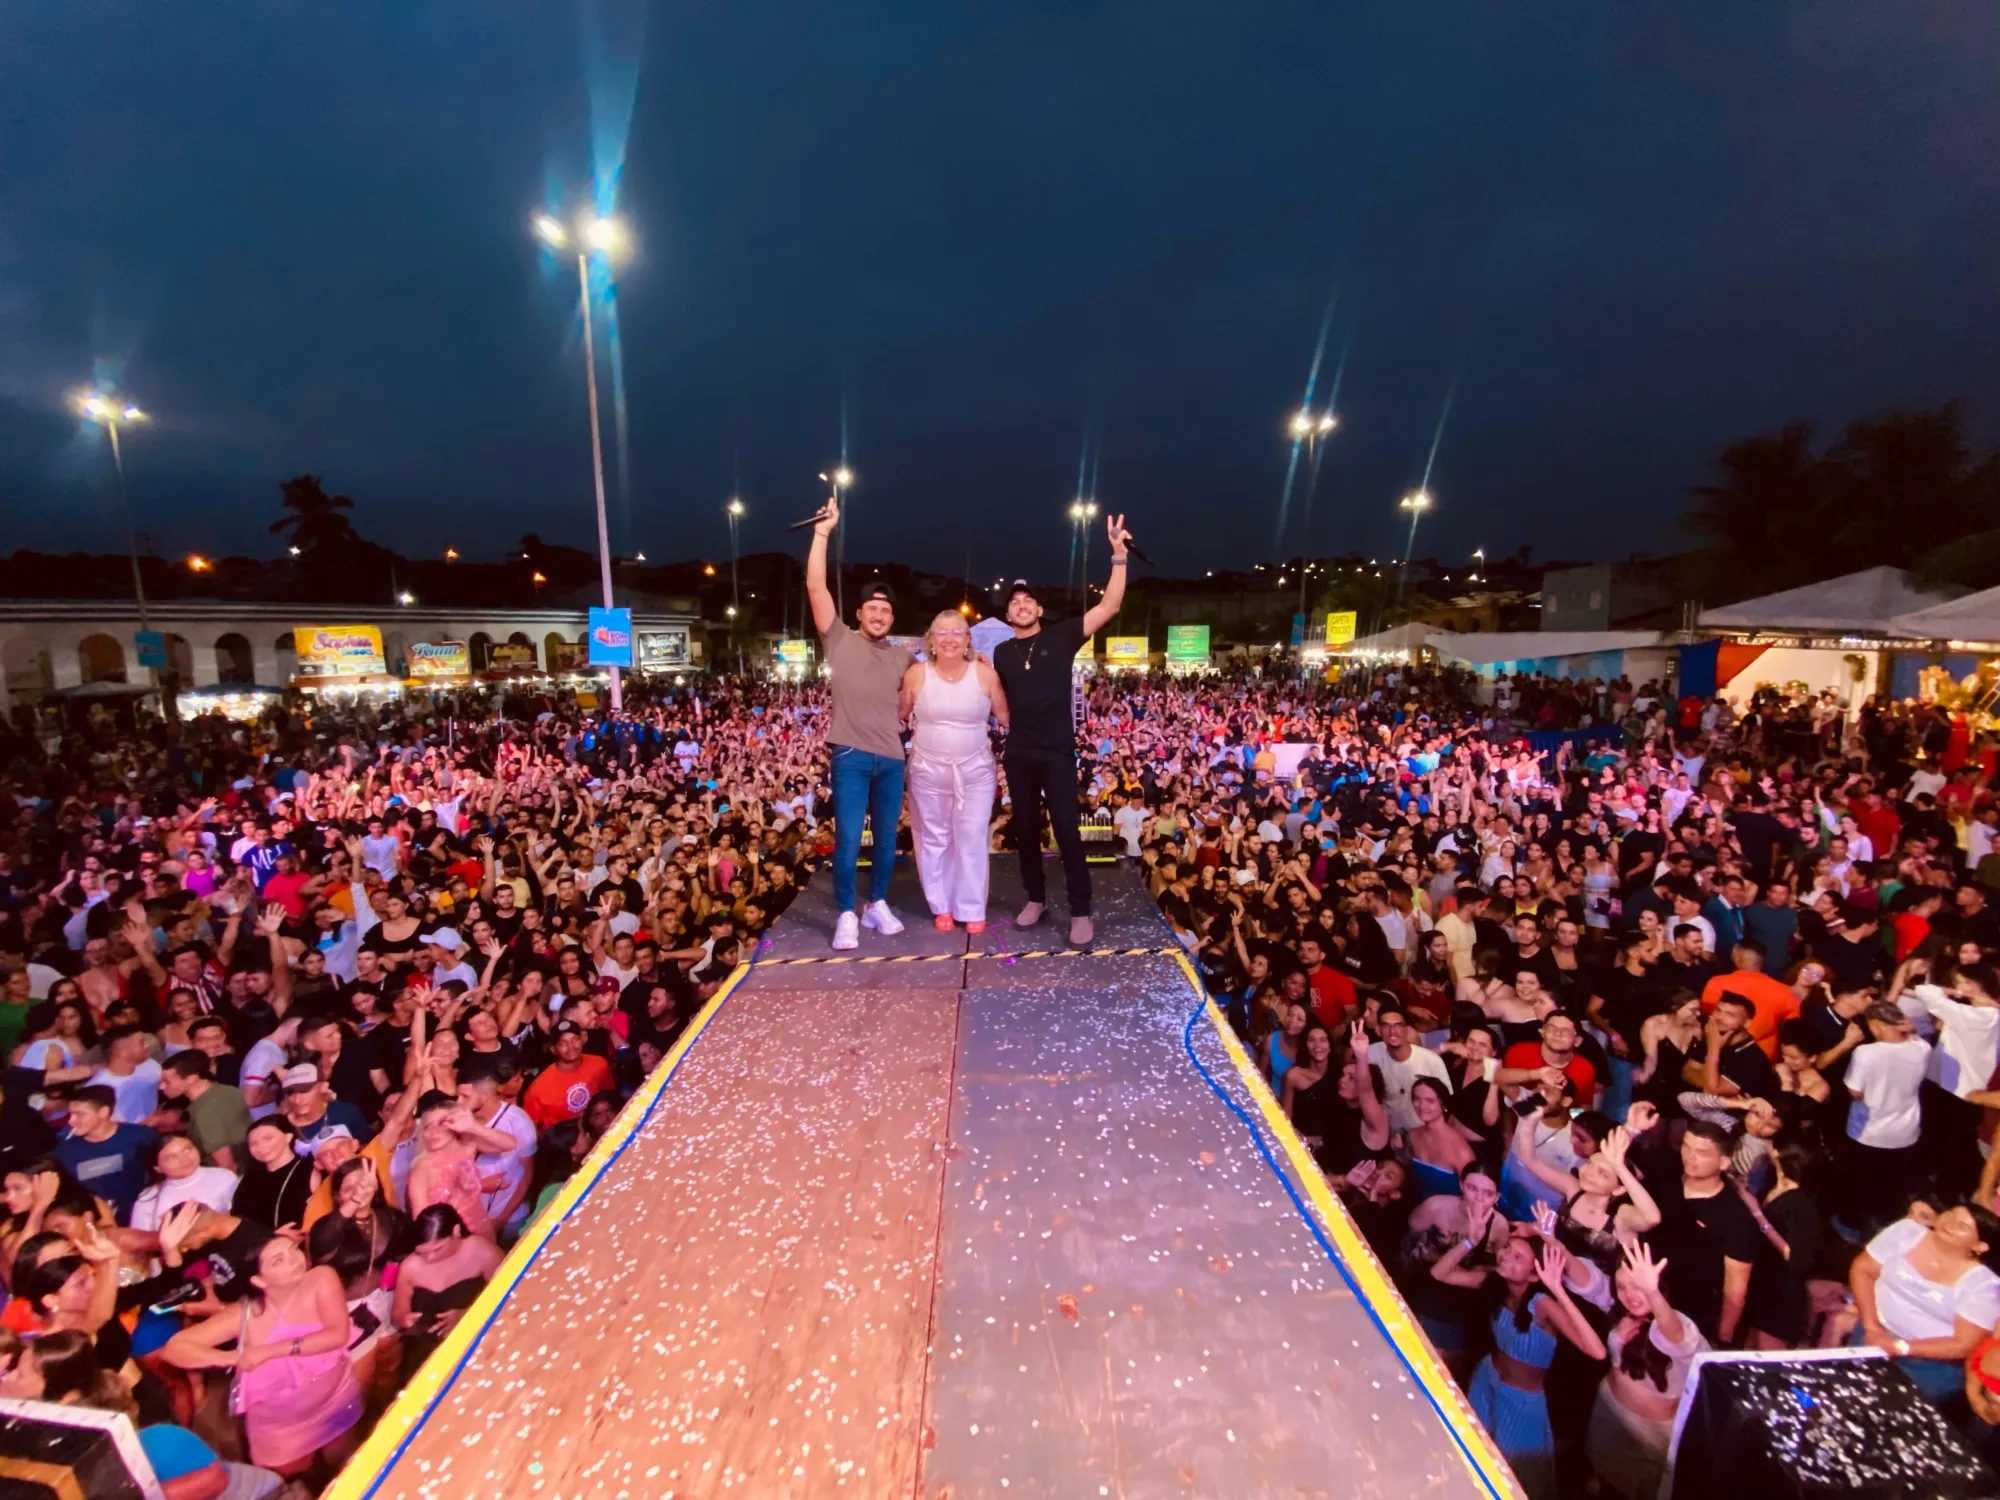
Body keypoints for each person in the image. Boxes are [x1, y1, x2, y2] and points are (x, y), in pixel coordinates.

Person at [990, 510, 1134, 947]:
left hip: (1056, 752)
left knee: (1067, 830)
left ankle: (1080, 908)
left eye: (1027, 600)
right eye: (1014, 602)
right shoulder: (999, 652)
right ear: (1008, 613)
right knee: (1026, 828)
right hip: (1019, 753)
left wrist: (1118, 557)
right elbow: (998, 698)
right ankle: (1035, 898)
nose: (1021, 605)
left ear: (1038, 608)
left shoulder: (1061, 635)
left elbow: (1109, 606)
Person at [805, 493, 915, 953]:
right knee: (849, 840)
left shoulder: (903, 655)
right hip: (849, 754)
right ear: (859, 614)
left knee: (886, 841)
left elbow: (914, 700)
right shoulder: (839, 641)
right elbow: (815, 588)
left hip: (891, 758)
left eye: (886, 610)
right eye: (872, 608)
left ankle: (878, 904)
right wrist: (822, 533)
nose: (879, 614)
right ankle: (848, 913)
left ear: (892, 618)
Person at [162, 1234, 363, 1478]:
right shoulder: (245, 1315)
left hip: (335, 1400)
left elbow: (337, 1335)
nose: (295, 1260)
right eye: (279, 1260)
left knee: (351, 1465)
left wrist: (268, 1351)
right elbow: (175, 1348)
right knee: (302, 1482)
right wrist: (232, 1357)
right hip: (281, 1426)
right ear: (259, 1280)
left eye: (293, 1249)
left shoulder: (321, 1278)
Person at [1462, 1239, 1604, 1499]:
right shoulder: (1496, 1285)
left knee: (1513, 1478)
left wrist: (1557, 1290)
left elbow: (1597, 1350)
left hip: (1521, 1403)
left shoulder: (1542, 1304)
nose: (1506, 1256)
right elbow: (1439, 1273)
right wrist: (1471, 1239)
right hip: (1486, 1379)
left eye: (1518, 1257)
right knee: (1469, 1452)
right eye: (1507, 1248)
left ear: (1534, 1274)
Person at [900, 610, 1009, 932]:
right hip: (927, 771)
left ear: (967, 639)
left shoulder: (985, 675)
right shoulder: (916, 674)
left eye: (957, 632)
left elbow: (1006, 717)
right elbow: (897, 715)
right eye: (942, 632)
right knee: (934, 839)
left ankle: (972, 907)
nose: (949, 638)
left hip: (975, 771)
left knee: (971, 838)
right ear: (931, 639)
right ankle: (941, 905)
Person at [1585, 1242, 1707, 1500]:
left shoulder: (1677, 1326)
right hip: (1608, 1416)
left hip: (1649, 1441)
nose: (1630, 1295)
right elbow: (1586, 1281)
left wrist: (1651, 1292)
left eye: (1638, 1285)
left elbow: (1675, 1338)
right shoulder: (1621, 1313)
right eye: (1622, 1286)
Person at [1850, 1202, 2000, 1404]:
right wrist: (1871, 1327)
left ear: (1979, 1246)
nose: (1950, 1223)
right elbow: (1863, 1270)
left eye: (1962, 1226)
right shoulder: (1905, 1232)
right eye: (1950, 1213)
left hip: (1926, 1367)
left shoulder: (1983, 1284)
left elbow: (1963, 1344)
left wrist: (1899, 1347)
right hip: (1870, 1335)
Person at [1647, 1120, 1758, 1345]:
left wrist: (1722, 1337)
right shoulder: (1666, 1175)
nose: (1689, 1156)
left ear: (1724, 1162)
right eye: (1686, 1147)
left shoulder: (1735, 1217)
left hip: (1691, 1311)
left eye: (1702, 1152)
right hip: (1645, 1294)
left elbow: (1735, 1287)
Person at [392, 1203, 502, 1371]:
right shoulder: (410, 1266)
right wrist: (404, 1319)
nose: (429, 1258)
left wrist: (467, 1315)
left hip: (477, 1341)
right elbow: (398, 1312)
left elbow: (507, 1295)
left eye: (437, 1249)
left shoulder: (481, 1251)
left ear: (456, 1231)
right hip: (427, 1351)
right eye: (422, 1252)